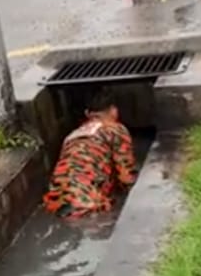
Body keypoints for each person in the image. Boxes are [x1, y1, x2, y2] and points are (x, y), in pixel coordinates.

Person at [43, 91, 138, 219]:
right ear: (114, 110)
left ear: (88, 114)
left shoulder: (72, 136)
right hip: (88, 200)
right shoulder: (115, 129)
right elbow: (126, 177)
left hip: (56, 199)